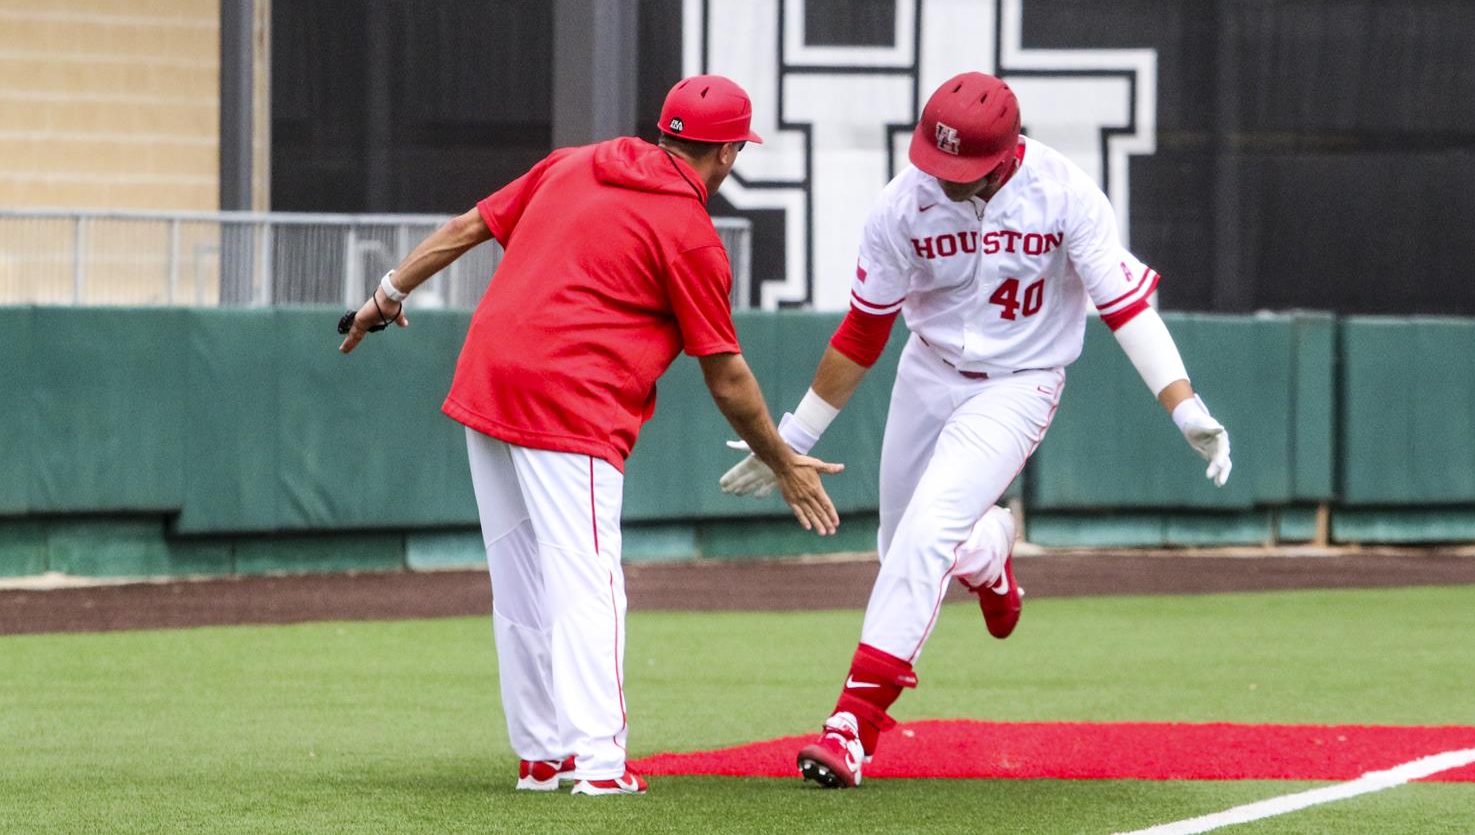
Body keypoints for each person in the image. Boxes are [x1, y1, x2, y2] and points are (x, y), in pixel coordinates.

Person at [716, 72, 1234, 788]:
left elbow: (1123, 308)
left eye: (960, 166)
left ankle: (851, 727)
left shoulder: (1065, 193)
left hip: (1020, 384)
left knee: (926, 536)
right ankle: (989, 549)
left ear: (1006, 153)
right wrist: (791, 438)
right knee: (900, 549)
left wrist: (1185, 405)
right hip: (927, 372)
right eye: (935, 155)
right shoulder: (903, 204)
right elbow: (864, 332)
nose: (940, 174)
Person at [337, 74, 844, 797]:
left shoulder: (573, 162)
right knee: (588, 581)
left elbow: (464, 228)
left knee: (521, 580)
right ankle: (600, 765)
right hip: (568, 402)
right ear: (728, 153)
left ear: (666, 131)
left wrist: (384, 298)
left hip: (489, 378)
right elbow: (726, 375)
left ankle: (544, 755)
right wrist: (784, 461)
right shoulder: (690, 234)